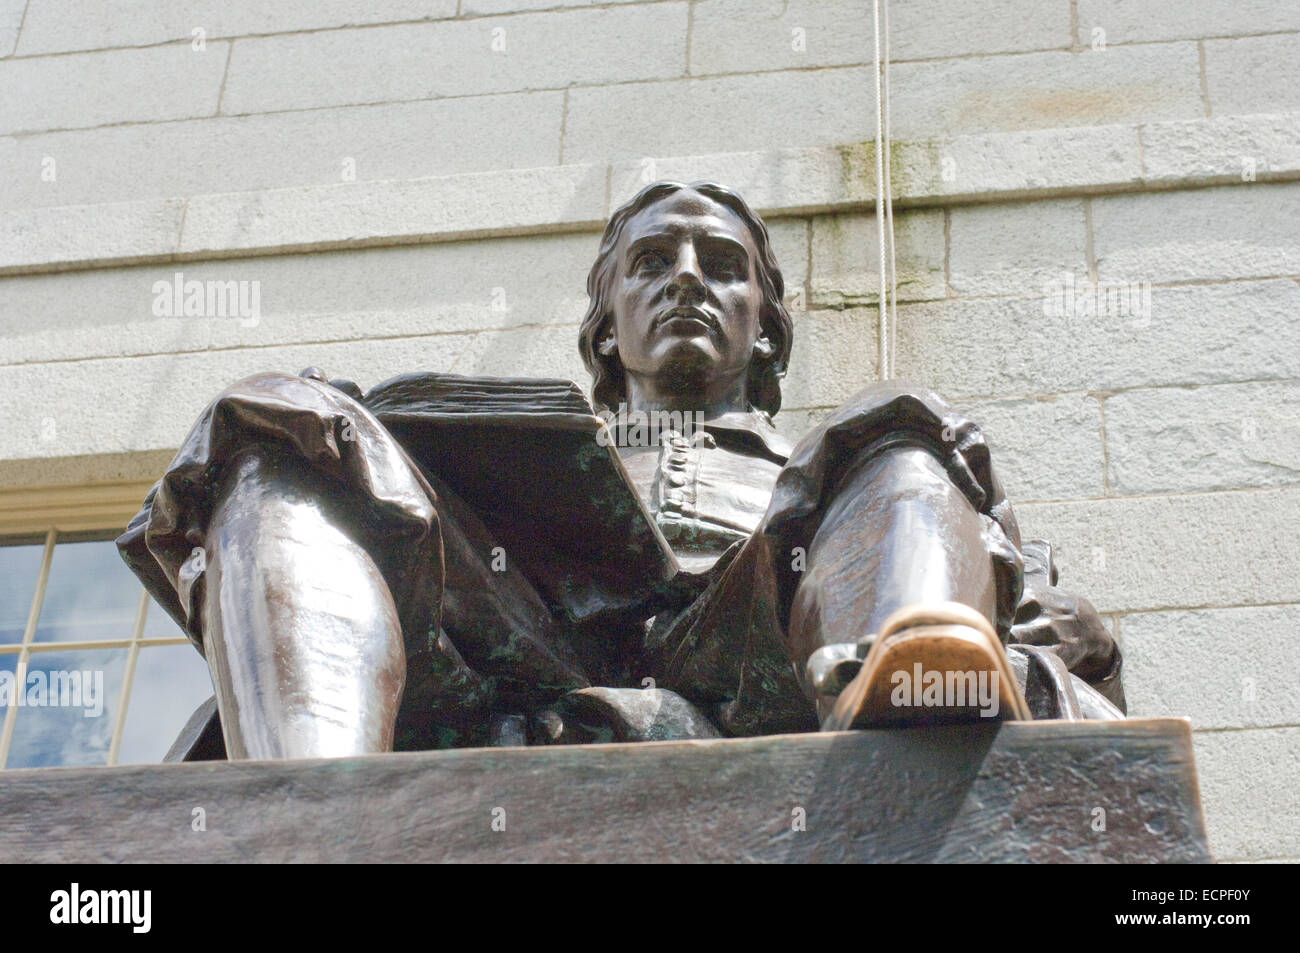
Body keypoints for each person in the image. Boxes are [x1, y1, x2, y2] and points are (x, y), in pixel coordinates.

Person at [119, 181, 1124, 761]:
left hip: (774, 668)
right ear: (605, 329)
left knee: (901, 424)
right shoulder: (522, 462)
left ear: (765, 332)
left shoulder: (850, 475)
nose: (687, 275)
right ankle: (310, 797)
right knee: (283, 423)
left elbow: (1049, 627)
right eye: (652, 261)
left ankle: (909, 678)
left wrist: (1068, 634)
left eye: (719, 264)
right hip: (523, 652)